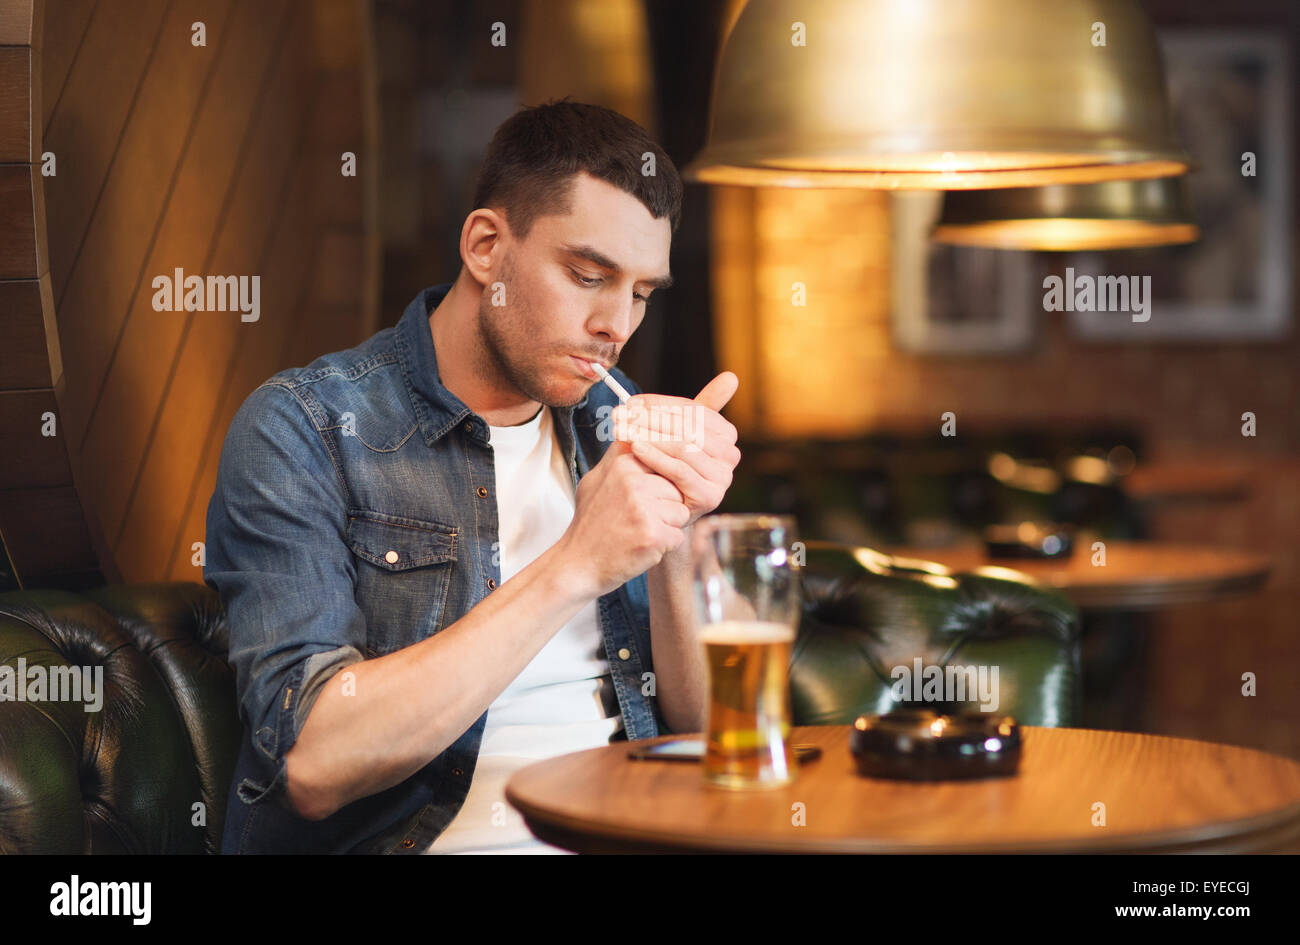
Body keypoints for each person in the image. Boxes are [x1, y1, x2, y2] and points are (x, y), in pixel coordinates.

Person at [204, 99, 741, 854]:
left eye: (642, 294)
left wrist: (676, 530)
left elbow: (711, 735)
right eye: (589, 275)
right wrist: (575, 563)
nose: (617, 324)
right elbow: (314, 759)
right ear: (487, 247)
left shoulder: (611, 434)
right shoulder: (304, 429)